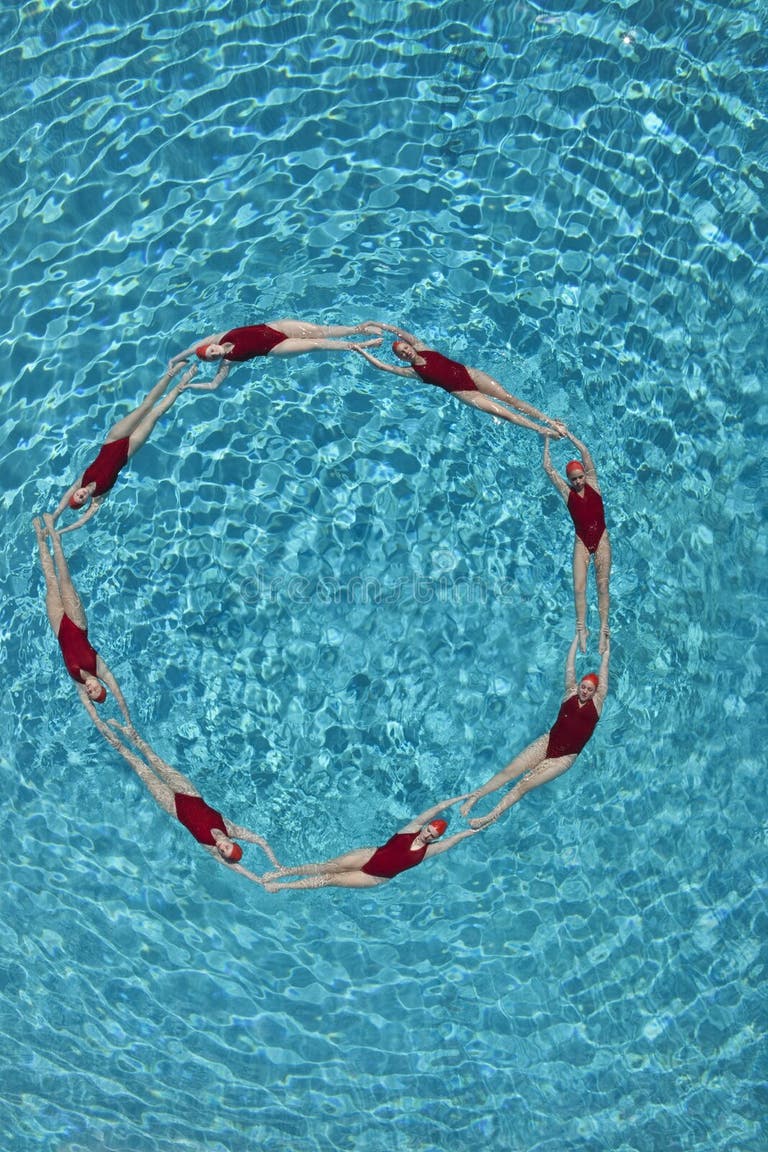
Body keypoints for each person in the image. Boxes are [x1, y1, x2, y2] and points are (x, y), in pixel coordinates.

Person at [86, 714, 282, 884]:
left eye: (223, 852)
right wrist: (275, 863)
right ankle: (128, 731)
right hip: (188, 793)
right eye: (227, 847)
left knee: (140, 768)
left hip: (172, 806)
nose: (222, 848)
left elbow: (238, 869)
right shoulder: (232, 829)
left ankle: (115, 742)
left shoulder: (212, 850)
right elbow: (260, 840)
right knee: (153, 758)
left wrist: (258, 880)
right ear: (233, 842)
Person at [460, 634, 610, 830]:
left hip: (564, 758)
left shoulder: (597, 703)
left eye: (589, 690)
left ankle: (488, 817)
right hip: (547, 742)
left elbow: (603, 673)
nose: (585, 691)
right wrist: (576, 638)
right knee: (509, 771)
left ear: (595, 691)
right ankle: (475, 797)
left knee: (522, 786)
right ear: (579, 685)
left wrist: (606, 651)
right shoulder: (570, 692)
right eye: (583, 687)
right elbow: (570, 666)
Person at [52, 362, 199, 534]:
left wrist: (55, 516)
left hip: (113, 439)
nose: (81, 495)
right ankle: (184, 381)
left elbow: (65, 499)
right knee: (155, 414)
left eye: (78, 495)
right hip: (129, 449)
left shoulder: (81, 481)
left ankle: (172, 372)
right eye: (82, 499)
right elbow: (83, 520)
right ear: (85, 502)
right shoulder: (99, 498)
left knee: (145, 407)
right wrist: (61, 531)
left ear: (76, 492)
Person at [352, 321, 566, 436]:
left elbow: (397, 330)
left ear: (410, 346)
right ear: (400, 358)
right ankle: (542, 430)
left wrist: (373, 323)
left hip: (471, 374)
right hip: (466, 393)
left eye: (405, 348)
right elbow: (382, 366)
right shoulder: (413, 372)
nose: (406, 352)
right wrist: (361, 349)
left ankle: (550, 421)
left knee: (510, 399)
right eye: (401, 354)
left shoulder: (422, 346)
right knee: (506, 414)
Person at [259, 796, 477, 891]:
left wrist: (475, 829)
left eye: (431, 836)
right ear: (426, 826)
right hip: (367, 855)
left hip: (373, 877)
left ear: (435, 839)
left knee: (329, 879)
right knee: (325, 866)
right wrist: (465, 797)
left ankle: (281, 886)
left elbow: (454, 840)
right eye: (428, 830)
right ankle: (283, 871)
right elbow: (437, 808)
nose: (427, 835)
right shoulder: (411, 829)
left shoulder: (428, 851)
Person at [32, 515, 131, 718]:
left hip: (59, 627)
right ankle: (53, 533)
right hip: (77, 623)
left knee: (51, 582)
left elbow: (95, 717)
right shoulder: (100, 669)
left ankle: (40, 538)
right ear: (101, 684)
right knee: (64, 579)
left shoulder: (79, 684)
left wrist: (104, 724)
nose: (90, 690)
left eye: (91, 694)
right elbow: (119, 696)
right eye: (96, 690)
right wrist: (128, 722)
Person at [168, 318, 384, 391]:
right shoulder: (227, 362)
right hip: (276, 348)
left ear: (211, 345)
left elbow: (192, 349)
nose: (215, 354)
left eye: (211, 351)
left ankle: (359, 329)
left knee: (320, 330)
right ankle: (360, 345)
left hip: (275, 327)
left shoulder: (220, 337)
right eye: (212, 357)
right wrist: (188, 385)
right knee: (317, 344)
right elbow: (214, 385)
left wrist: (174, 359)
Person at [543, 431, 611, 653]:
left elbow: (584, 451)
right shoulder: (567, 492)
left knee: (602, 585)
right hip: (581, 541)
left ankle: (603, 630)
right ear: (570, 480)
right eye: (574, 479)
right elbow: (548, 468)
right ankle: (582, 629)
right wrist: (546, 439)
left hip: (601, 539)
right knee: (579, 587)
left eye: (580, 477)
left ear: (584, 474)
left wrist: (568, 434)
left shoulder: (593, 482)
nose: (579, 481)